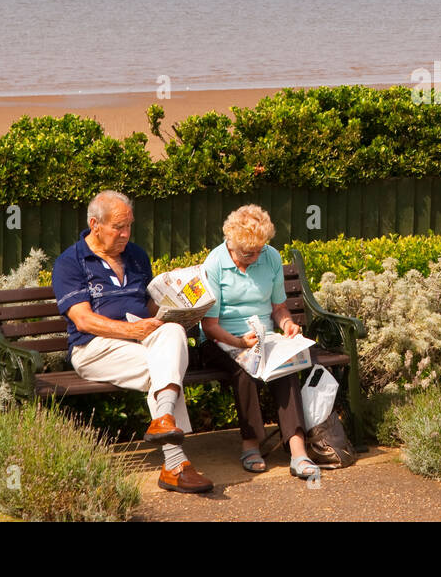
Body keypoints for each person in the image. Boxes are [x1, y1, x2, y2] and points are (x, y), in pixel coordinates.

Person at [51, 190, 212, 494]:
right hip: (94, 347)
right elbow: (83, 320)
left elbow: (148, 307)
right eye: (118, 227)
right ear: (94, 224)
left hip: (141, 341)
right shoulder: (70, 262)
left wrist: (178, 305)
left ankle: (164, 424)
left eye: (129, 227)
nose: (126, 234)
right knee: (166, 371)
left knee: (174, 333)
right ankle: (175, 464)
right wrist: (130, 332)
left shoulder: (136, 256)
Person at [198, 205, 320, 479]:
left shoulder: (271, 257)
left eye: (259, 251)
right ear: (231, 242)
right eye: (247, 253)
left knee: (285, 366)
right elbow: (210, 325)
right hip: (221, 339)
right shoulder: (215, 263)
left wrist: (287, 324)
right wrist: (239, 342)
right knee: (243, 371)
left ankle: (298, 451)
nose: (254, 258)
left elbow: (278, 307)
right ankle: (250, 445)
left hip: (261, 338)